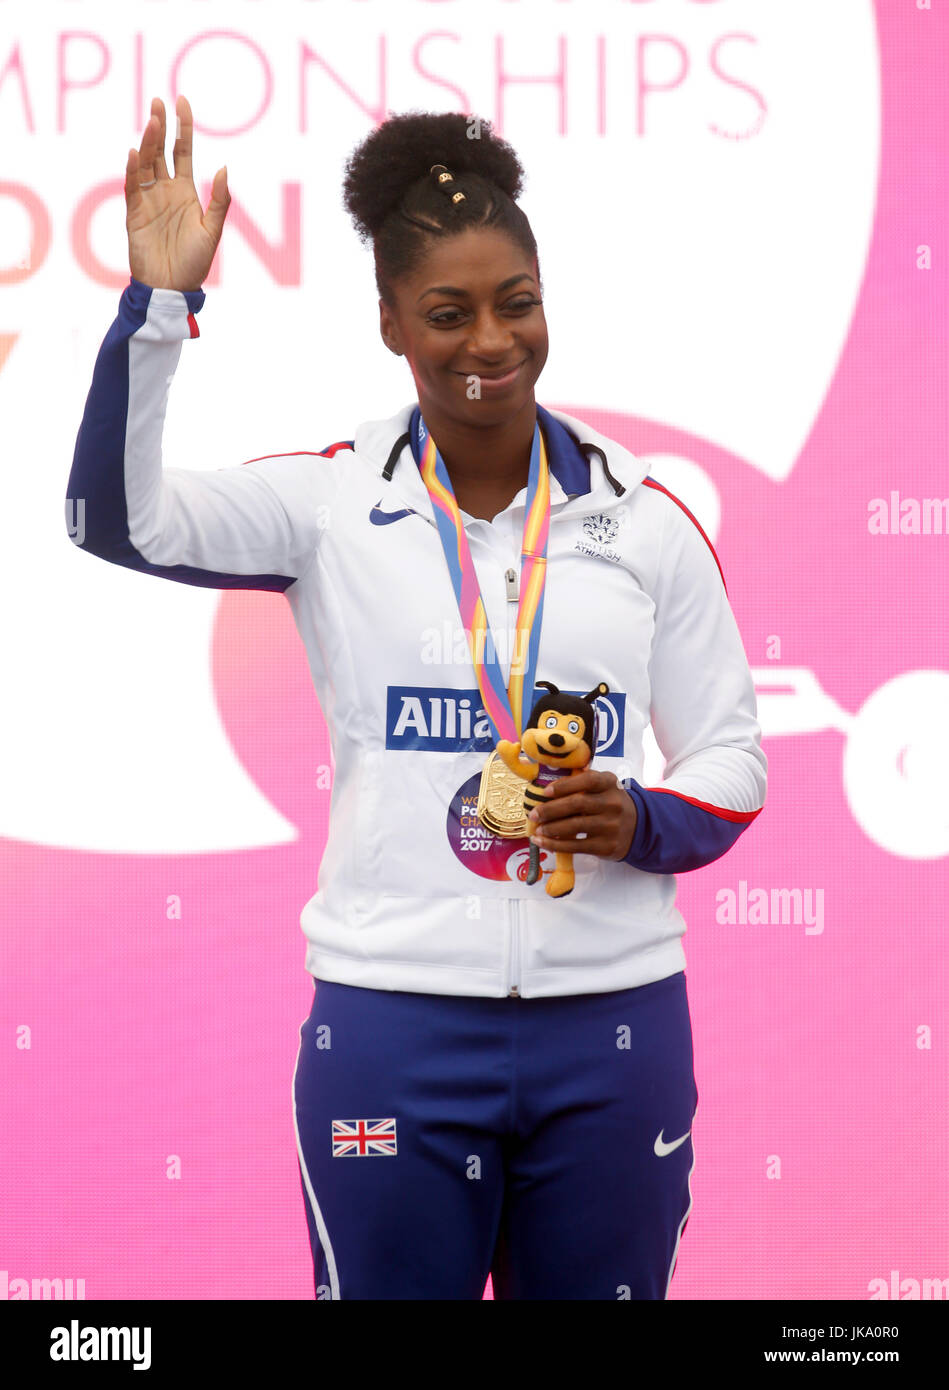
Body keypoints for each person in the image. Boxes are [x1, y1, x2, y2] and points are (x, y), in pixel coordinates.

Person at [67, 95, 767, 1300]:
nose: (488, 340)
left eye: (516, 304)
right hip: (392, 1031)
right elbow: (115, 521)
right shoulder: (329, 505)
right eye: (447, 313)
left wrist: (640, 818)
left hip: (612, 1031)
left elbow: (734, 760)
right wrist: (160, 308)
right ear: (391, 322)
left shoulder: (642, 519)